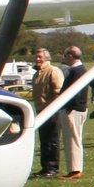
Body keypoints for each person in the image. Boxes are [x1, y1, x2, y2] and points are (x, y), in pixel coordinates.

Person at [29, 47, 64, 177]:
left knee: (52, 140)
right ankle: (45, 168)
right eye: (36, 57)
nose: (37, 59)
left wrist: (55, 112)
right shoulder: (36, 74)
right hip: (40, 112)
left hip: (52, 112)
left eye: (40, 57)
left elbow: (58, 92)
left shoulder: (53, 71)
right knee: (44, 140)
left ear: (46, 58)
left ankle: (53, 168)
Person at [60, 45, 89, 178]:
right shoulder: (81, 70)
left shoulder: (77, 71)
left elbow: (75, 93)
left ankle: (75, 170)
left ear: (71, 56)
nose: (64, 58)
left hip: (73, 110)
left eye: (66, 55)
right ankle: (74, 169)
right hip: (76, 109)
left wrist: (69, 109)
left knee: (72, 140)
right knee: (73, 139)